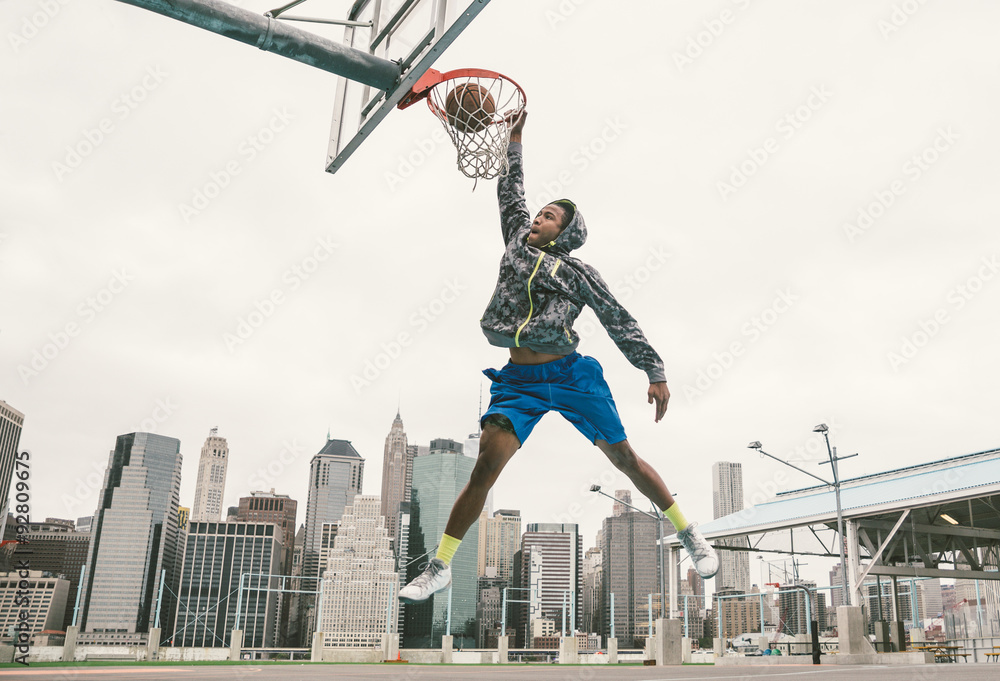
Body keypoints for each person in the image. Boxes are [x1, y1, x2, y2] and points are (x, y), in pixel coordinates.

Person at [399, 111, 718, 604]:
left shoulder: (578, 273)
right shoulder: (515, 244)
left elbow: (617, 316)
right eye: (538, 212)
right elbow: (511, 189)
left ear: (563, 234)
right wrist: (515, 138)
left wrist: (653, 369)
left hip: (572, 376)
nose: (535, 218)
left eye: (547, 216)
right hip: (518, 383)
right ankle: (439, 565)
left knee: (625, 459)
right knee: (485, 466)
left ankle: (688, 533)